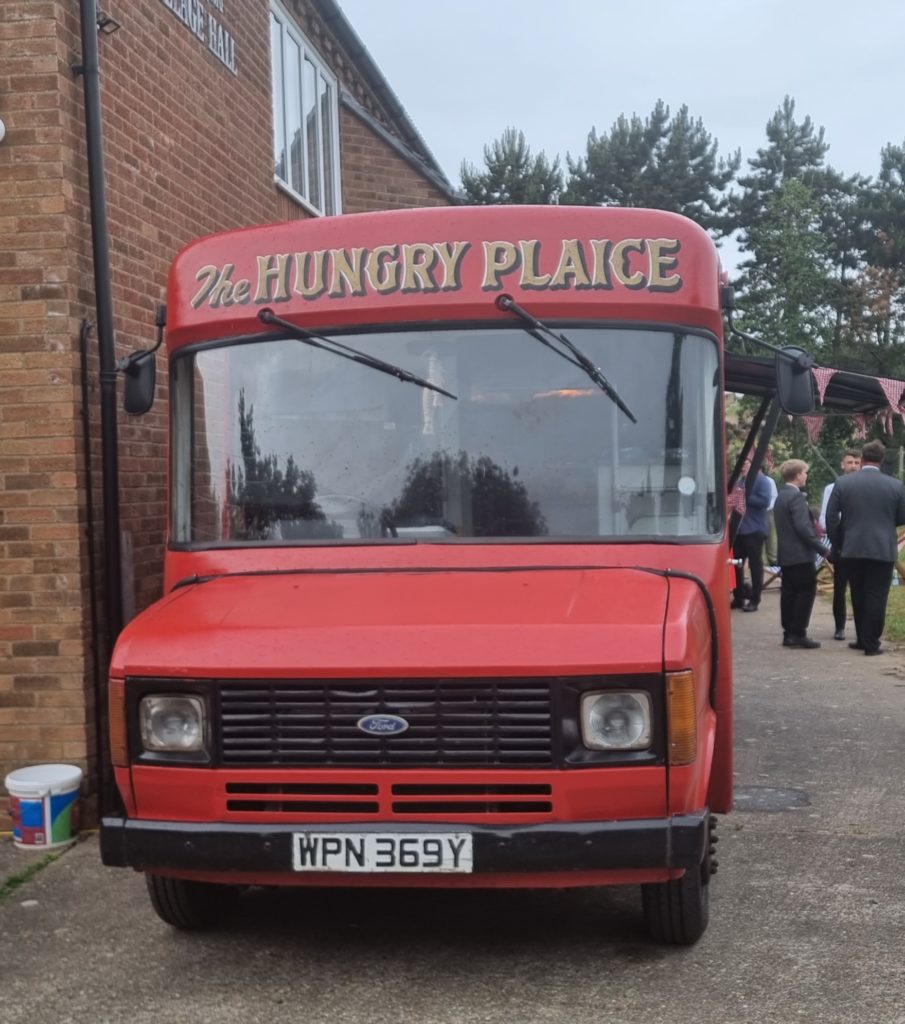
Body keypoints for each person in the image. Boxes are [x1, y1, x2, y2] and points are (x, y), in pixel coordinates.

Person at [825, 440, 905, 656]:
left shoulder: (843, 483)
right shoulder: (896, 485)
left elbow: (830, 517)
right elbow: (902, 516)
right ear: (882, 459)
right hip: (882, 548)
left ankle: (862, 638)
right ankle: (871, 642)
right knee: (877, 595)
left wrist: (838, 542)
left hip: (852, 547)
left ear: (862, 458)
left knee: (858, 593)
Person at [773, 459, 827, 649]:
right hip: (800, 555)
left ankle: (789, 632)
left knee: (789, 593)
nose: (806, 476)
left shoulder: (781, 496)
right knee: (805, 591)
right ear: (797, 475)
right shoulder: (796, 498)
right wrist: (824, 550)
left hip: (787, 554)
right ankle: (798, 631)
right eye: (804, 472)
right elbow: (803, 528)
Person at [818, 449, 861, 640]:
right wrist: (836, 540)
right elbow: (825, 517)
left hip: (861, 540)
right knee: (840, 586)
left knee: (861, 587)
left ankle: (862, 628)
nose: (853, 466)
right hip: (841, 539)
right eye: (850, 462)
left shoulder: (865, 486)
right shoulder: (832, 487)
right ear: (842, 465)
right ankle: (839, 626)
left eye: (856, 463)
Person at [731, 457, 773, 611]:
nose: (742, 467)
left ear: (754, 465)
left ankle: (755, 599)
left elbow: (765, 501)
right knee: (736, 565)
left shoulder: (762, 481)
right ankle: (739, 597)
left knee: (755, 566)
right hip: (738, 530)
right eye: (740, 464)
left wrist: (744, 496)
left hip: (754, 529)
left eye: (745, 464)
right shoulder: (739, 480)